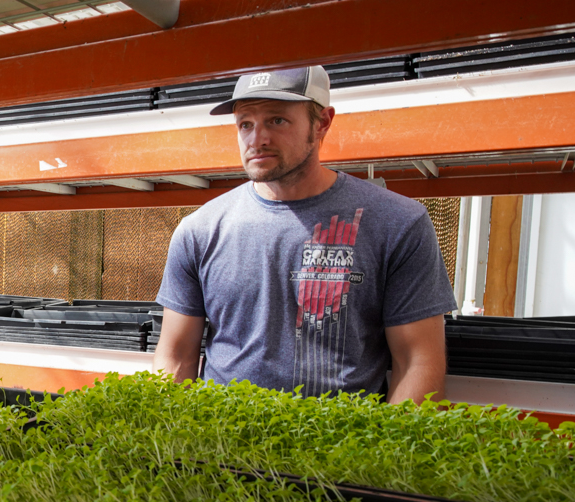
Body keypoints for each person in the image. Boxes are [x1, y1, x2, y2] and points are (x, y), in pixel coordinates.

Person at [154, 66, 456, 402]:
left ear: (323, 122)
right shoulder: (199, 230)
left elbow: (418, 361)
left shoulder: (397, 222)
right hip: (224, 444)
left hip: (340, 445)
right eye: (245, 124)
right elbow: (176, 357)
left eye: (277, 120)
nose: (257, 139)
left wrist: (384, 452)